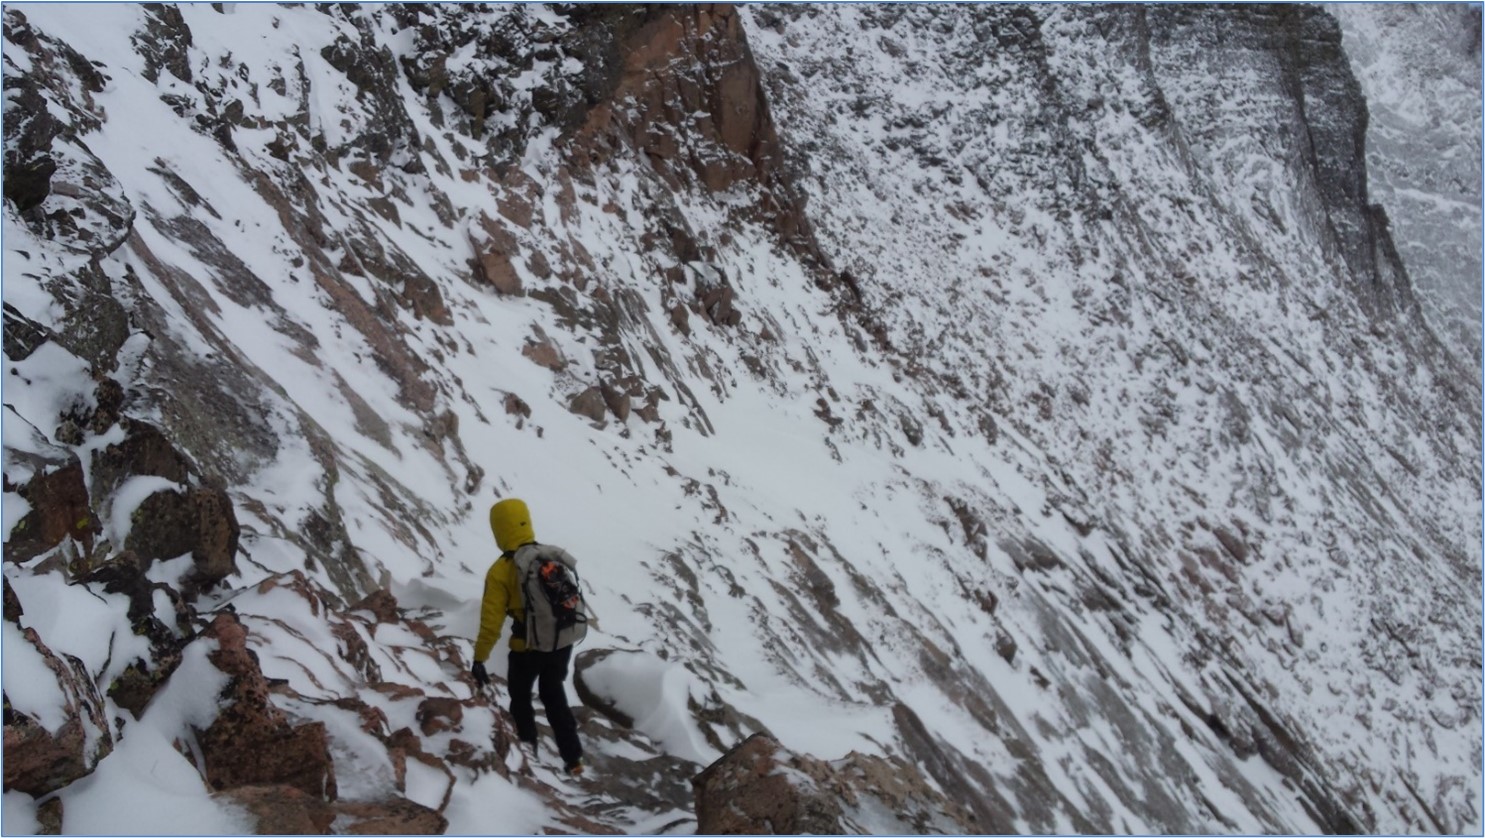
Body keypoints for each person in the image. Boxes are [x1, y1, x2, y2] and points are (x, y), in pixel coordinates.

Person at [470, 497, 585, 775]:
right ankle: (573, 760)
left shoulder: (501, 570)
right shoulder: (547, 555)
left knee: (520, 697)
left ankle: (528, 751)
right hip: (561, 641)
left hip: (527, 647)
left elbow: (491, 621)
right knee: (554, 694)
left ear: (499, 528)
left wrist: (480, 658)